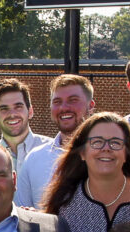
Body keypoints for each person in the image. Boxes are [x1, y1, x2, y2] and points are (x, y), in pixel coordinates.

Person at [41, 111, 130, 232]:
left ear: (127, 153)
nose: (106, 148)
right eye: (97, 142)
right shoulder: (65, 203)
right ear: (82, 152)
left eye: (115, 143)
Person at [15, 74, 95, 208]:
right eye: (57, 102)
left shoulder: (105, 156)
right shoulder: (34, 159)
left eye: (73, 100)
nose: (64, 107)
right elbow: (21, 214)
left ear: (90, 105)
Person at [0, 78, 50, 170]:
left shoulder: (53, 151)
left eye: (18, 107)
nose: (12, 114)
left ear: (30, 111)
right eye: (4, 109)